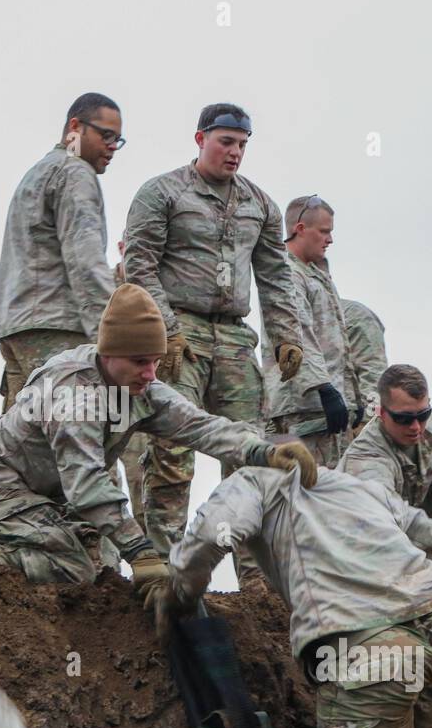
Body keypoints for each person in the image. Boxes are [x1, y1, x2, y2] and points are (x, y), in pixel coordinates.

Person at [151, 462, 432, 728]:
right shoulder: (354, 484)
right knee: (417, 670)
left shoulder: (252, 479)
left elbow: (213, 535)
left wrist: (180, 593)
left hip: (370, 652)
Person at [0, 284, 316, 585]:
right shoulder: (73, 393)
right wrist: (142, 553)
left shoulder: (138, 387)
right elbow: (85, 483)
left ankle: (8, 545)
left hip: (42, 493)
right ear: (110, 354)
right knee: (72, 567)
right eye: (140, 362)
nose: (151, 373)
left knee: (97, 561)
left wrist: (264, 452)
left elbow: (199, 426)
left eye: (154, 361)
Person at [123, 102, 320, 557]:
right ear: (201, 139)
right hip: (179, 333)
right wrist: (166, 331)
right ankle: (165, 562)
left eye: (243, 145)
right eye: (226, 142)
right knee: (173, 451)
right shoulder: (162, 193)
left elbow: (275, 275)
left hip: (233, 336)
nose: (235, 153)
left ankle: (252, 576)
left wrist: (286, 334)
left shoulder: (260, 204)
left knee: (249, 450)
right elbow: (140, 264)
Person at [0, 93, 121, 410]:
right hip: (59, 330)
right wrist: (114, 337)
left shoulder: (37, 173)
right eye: (106, 135)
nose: (112, 147)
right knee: (82, 439)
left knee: (21, 445)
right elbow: (85, 262)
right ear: (75, 128)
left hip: (20, 327)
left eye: (118, 140)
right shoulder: (75, 173)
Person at [338, 363, 432, 608]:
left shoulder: (429, 423)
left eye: (423, 415)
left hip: (410, 520)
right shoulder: (368, 461)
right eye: (404, 419)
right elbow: (381, 533)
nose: (416, 427)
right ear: (381, 412)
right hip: (362, 550)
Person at [264, 195, 356, 467]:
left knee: (332, 494)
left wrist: (351, 397)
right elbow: (298, 333)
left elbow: (337, 345)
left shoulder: (316, 275)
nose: (330, 240)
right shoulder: (287, 274)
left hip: (325, 407)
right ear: (301, 229)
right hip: (301, 406)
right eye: (324, 232)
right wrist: (323, 388)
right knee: (302, 492)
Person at [342, 298, 388, 437]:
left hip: (345, 427)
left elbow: (374, 372)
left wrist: (368, 421)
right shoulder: (286, 315)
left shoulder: (353, 315)